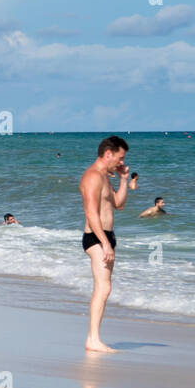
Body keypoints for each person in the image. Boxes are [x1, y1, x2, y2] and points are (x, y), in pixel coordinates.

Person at [79, 135, 130, 353]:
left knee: (104, 287)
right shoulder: (92, 176)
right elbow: (91, 213)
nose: (121, 162)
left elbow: (118, 204)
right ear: (108, 154)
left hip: (106, 236)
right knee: (103, 286)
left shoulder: (105, 177)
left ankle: (94, 338)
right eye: (119, 158)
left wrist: (123, 179)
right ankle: (93, 339)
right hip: (96, 237)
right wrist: (105, 244)